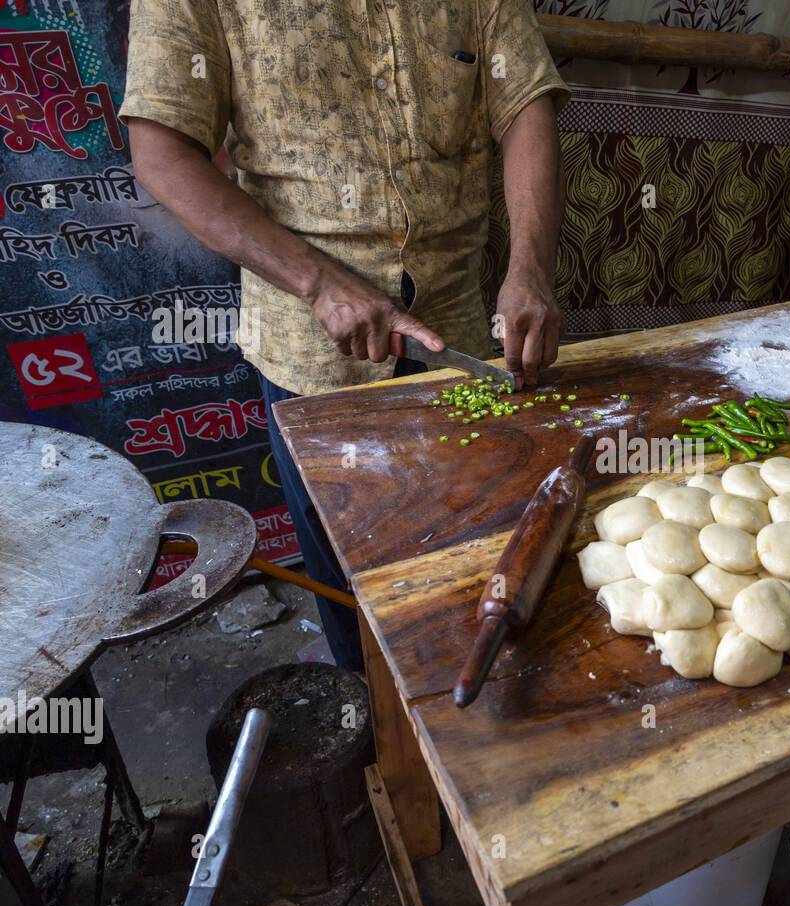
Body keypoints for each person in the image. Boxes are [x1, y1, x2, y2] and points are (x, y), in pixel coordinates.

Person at [120, 0, 569, 670]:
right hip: (312, 354)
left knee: (474, 563)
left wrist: (530, 269)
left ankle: (469, 715)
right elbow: (161, 152)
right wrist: (320, 282)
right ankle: (381, 737)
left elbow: (526, 106)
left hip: (456, 339)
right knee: (353, 594)